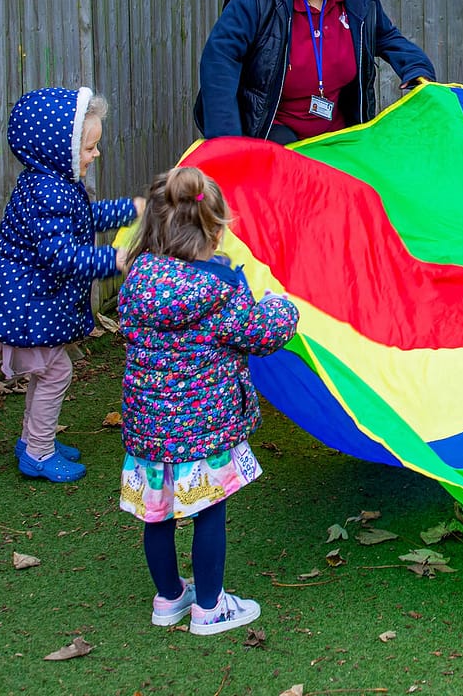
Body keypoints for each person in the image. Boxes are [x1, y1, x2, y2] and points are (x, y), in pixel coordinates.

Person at [117, 166, 299, 636]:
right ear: (215, 232)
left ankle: (169, 598)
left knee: (156, 516)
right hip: (204, 430)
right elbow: (260, 334)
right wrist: (282, 307)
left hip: (149, 431)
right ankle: (210, 607)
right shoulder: (219, 294)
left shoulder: (136, 282)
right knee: (209, 512)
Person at [0, 87, 143, 483]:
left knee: (47, 370)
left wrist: (129, 209)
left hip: (32, 296)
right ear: (56, 149)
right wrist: (115, 260)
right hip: (26, 301)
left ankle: (33, 440)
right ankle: (38, 452)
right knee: (55, 371)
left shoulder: (53, 181)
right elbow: (61, 257)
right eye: (89, 148)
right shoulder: (50, 191)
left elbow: (83, 217)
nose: (96, 154)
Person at [195, 0, 436, 144]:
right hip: (273, 131)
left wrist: (416, 66)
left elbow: (384, 35)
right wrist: (227, 141)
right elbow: (220, 58)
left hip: (336, 135)